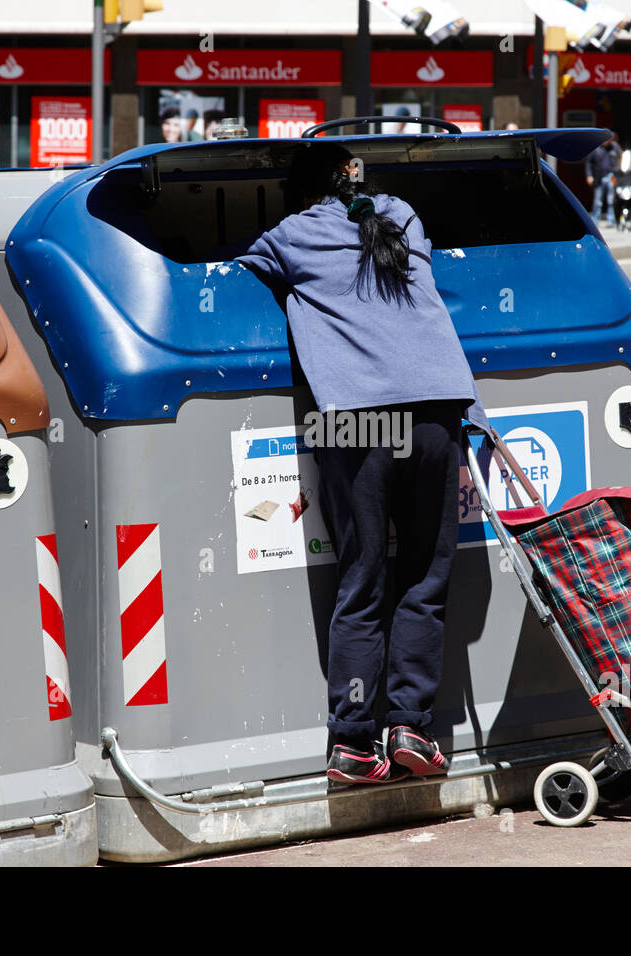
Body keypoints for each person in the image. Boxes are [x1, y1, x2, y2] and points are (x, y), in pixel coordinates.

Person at [236, 143, 488, 785]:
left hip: (359, 421)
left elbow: (231, 277)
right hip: (435, 415)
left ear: (300, 193)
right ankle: (410, 726)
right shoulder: (403, 216)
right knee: (425, 581)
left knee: (362, 579)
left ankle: (352, 742)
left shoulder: (291, 234)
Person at [584, 132, 622, 226]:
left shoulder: (614, 147)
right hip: (599, 176)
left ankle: (611, 221)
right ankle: (595, 221)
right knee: (598, 201)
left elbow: (621, 158)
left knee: (611, 200)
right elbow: (588, 163)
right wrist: (589, 176)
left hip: (611, 175)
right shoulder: (595, 148)